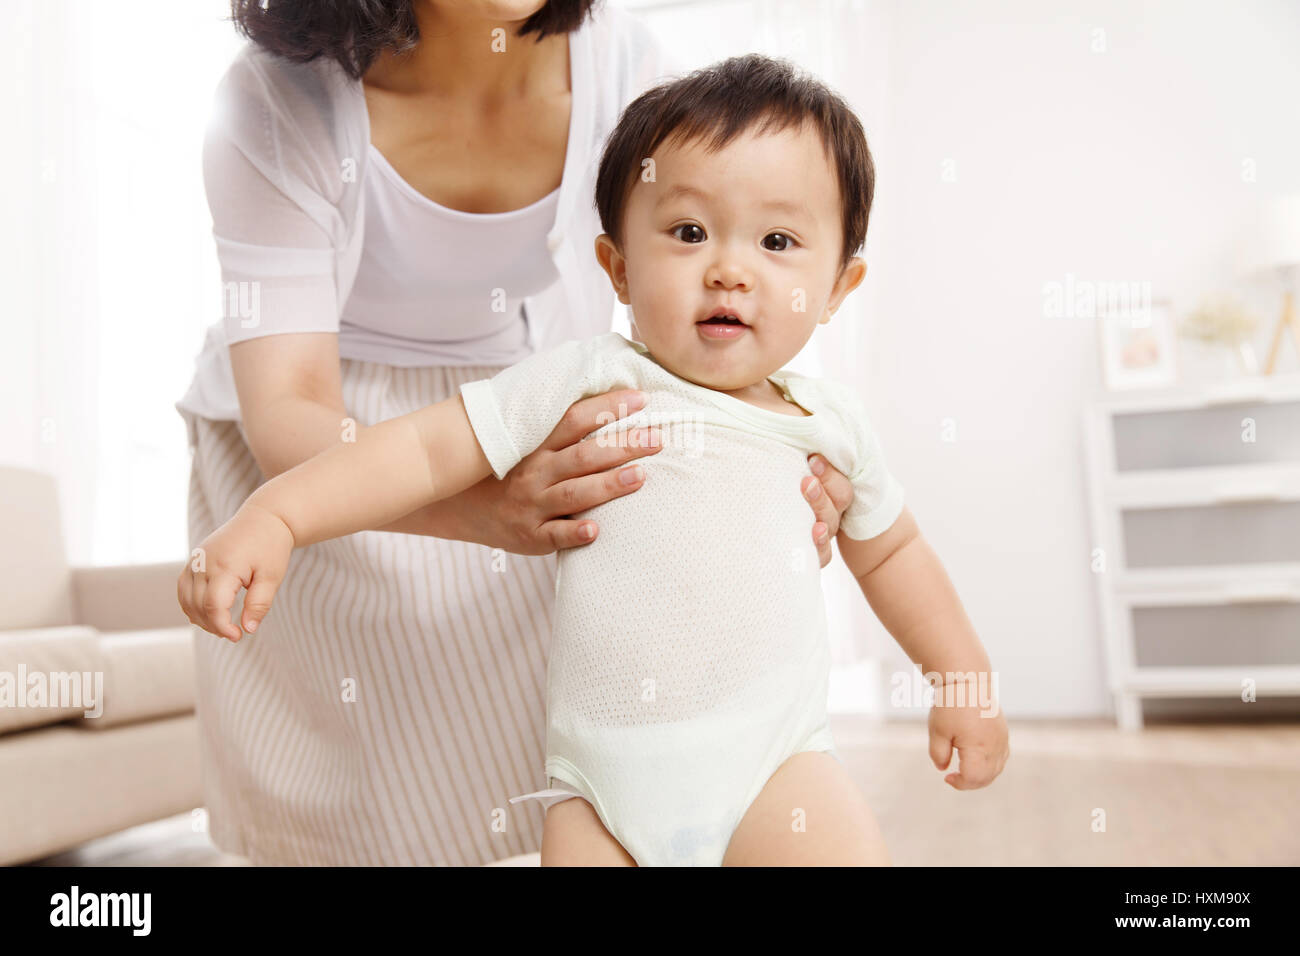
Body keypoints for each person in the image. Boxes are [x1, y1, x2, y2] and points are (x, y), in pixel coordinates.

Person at [179, 52, 1010, 866]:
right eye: (688, 232)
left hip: (779, 769)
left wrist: (960, 677)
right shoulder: (586, 382)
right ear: (616, 266)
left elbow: (894, 550)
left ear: (838, 287)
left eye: (779, 241)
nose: (728, 269)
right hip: (603, 796)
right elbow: (424, 451)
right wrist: (280, 514)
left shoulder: (830, 427)